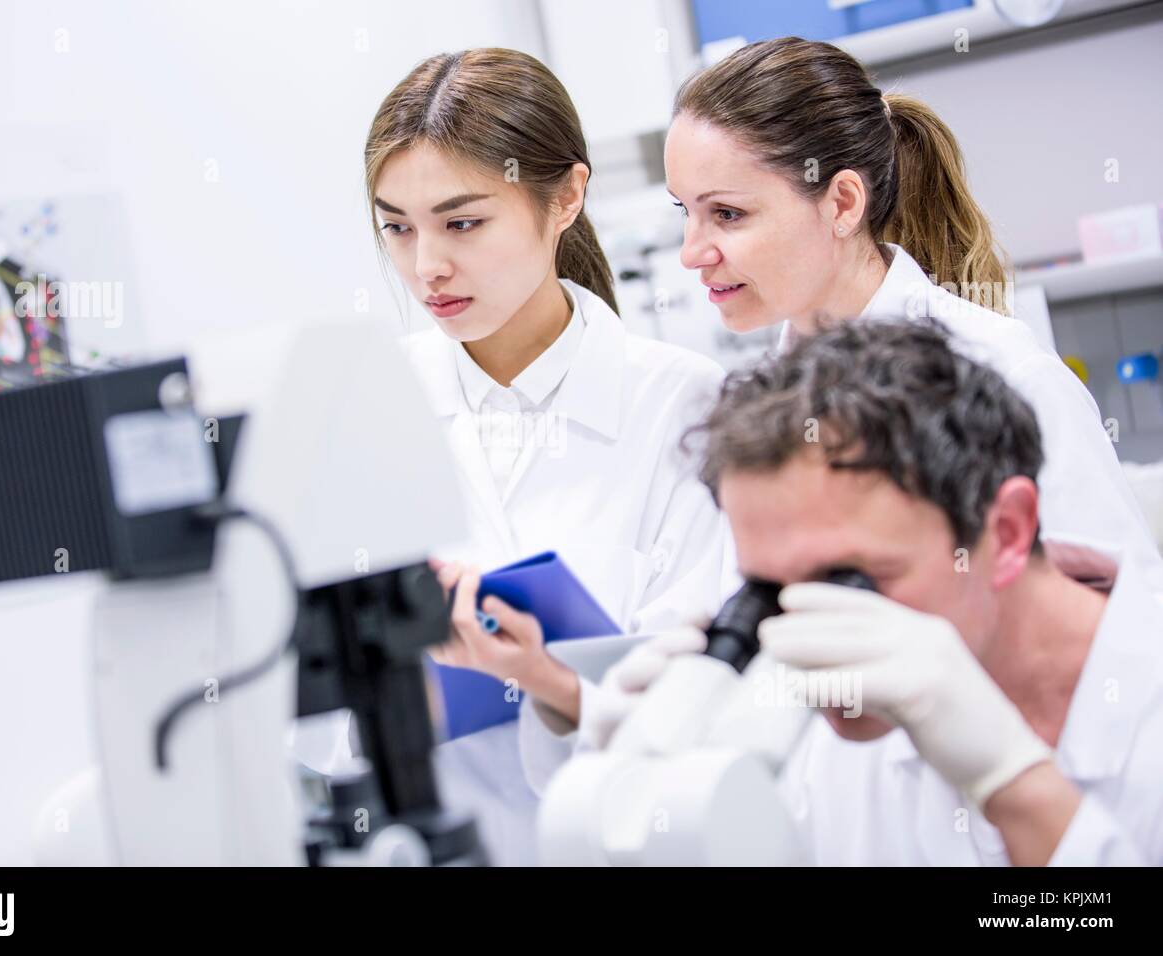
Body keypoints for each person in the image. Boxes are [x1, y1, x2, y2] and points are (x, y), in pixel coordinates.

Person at [351, 48, 733, 865]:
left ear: (564, 196)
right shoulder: (375, 406)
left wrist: (552, 686)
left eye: (462, 222)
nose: (427, 267)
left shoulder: (685, 406)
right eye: (396, 227)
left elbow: (705, 707)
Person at [597, 319, 1163, 865]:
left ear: (1008, 532)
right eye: (768, 593)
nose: (807, 634)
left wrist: (1016, 787)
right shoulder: (818, 739)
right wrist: (633, 792)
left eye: (851, 582)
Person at [663, 35, 1163, 590]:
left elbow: (1130, 621)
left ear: (843, 203)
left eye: (728, 213)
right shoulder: (756, 410)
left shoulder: (1004, 372)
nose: (691, 252)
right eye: (684, 210)